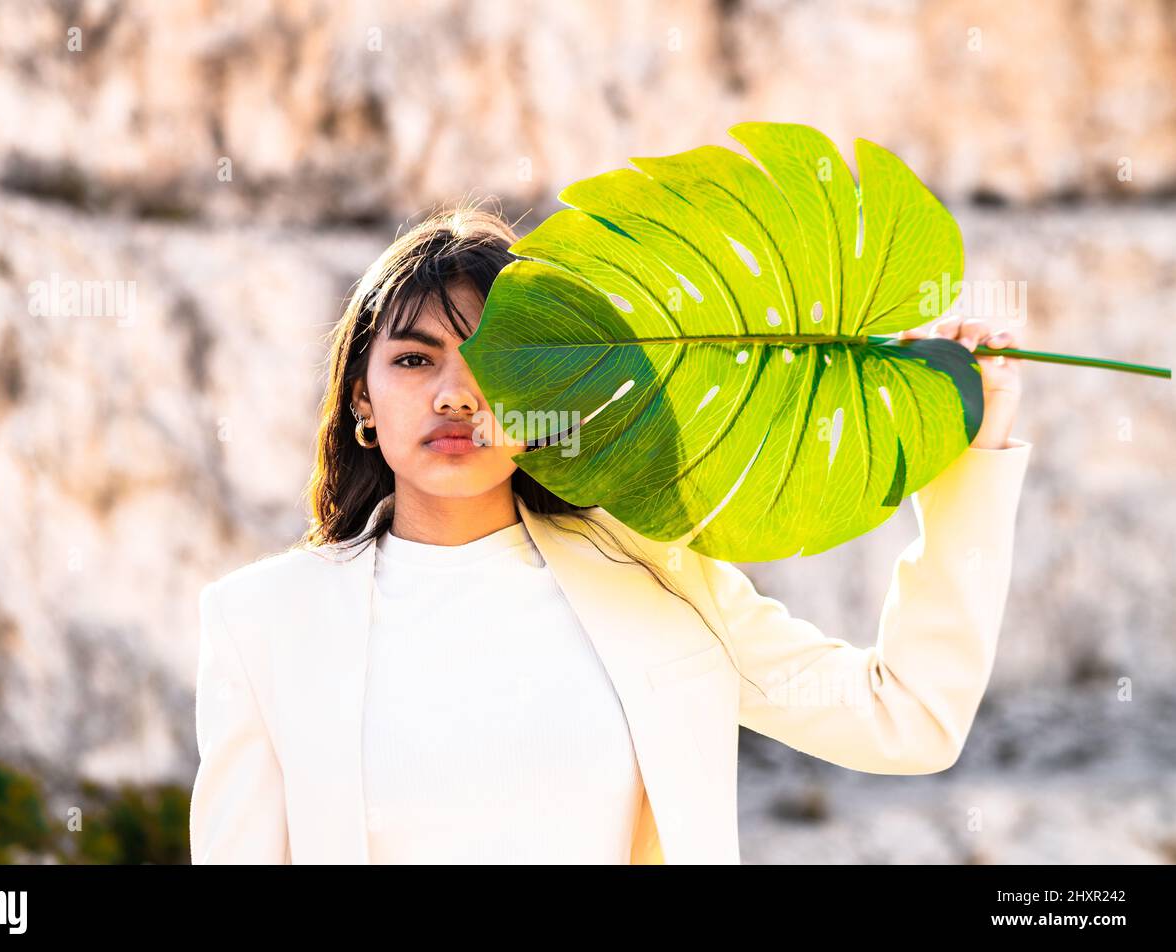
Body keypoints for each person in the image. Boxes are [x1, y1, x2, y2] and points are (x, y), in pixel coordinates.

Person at [189, 196, 1032, 864]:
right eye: (414, 359)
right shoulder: (263, 624)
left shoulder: (659, 582)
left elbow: (909, 717)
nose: (454, 394)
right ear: (363, 400)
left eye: (495, 359)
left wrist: (974, 451)